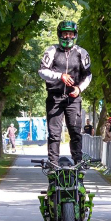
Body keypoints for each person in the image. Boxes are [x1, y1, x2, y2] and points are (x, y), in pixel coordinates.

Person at [38, 20, 92, 165]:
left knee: (75, 132)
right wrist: (59, 76)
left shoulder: (82, 53)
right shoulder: (52, 51)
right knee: (54, 134)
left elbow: (88, 75)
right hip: (54, 98)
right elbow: (42, 71)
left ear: (75, 35)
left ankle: (78, 164)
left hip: (73, 99)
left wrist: (79, 88)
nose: (68, 37)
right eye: (65, 34)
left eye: (70, 34)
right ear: (59, 35)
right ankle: (53, 165)